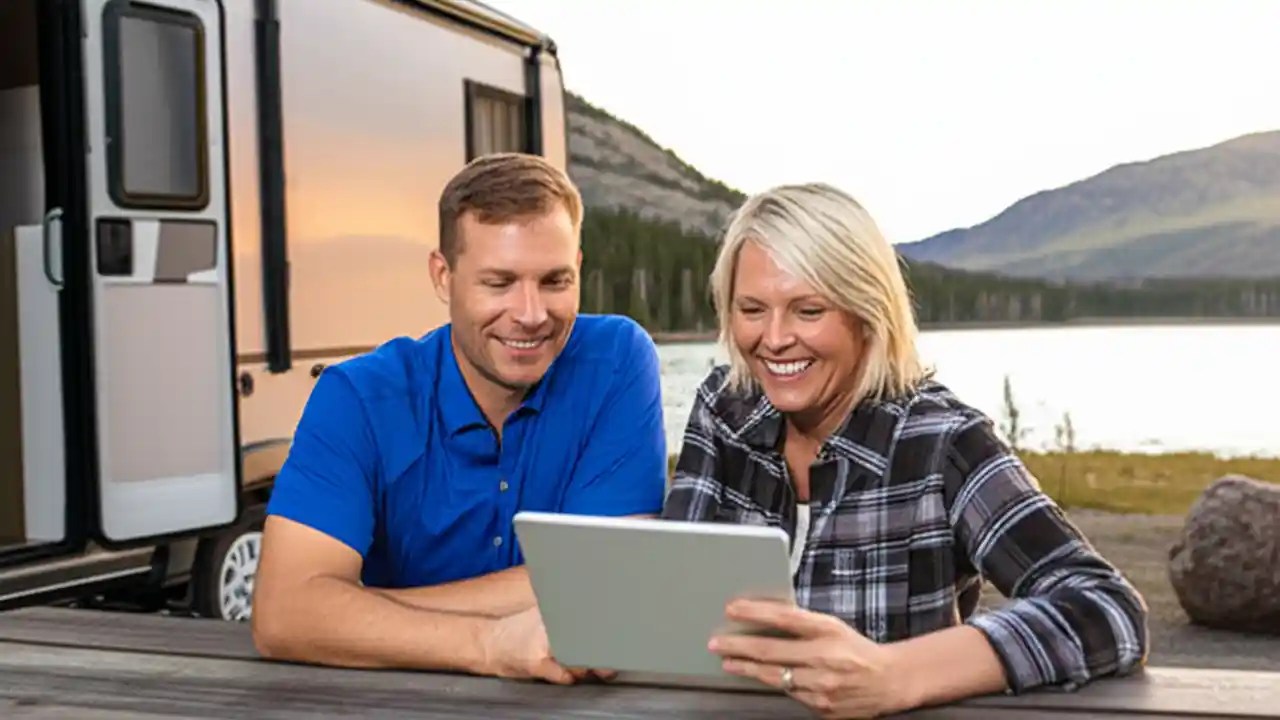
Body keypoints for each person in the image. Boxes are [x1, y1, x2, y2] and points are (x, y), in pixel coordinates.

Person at [662, 182, 1149, 718]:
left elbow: (1108, 608)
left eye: (807, 310)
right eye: (752, 309)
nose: (774, 339)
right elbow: (678, 599)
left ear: (866, 313)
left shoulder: (942, 441)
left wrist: (901, 674)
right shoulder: (723, 410)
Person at [252, 153, 667, 684]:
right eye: (499, 283)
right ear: (443, 277)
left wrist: (358, 609)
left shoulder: (617, 360)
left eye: (554, 281)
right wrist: (490, 644)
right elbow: (285, 613)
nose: (531, 313)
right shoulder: (357, 396)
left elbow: (611, 582)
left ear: (579, 269)